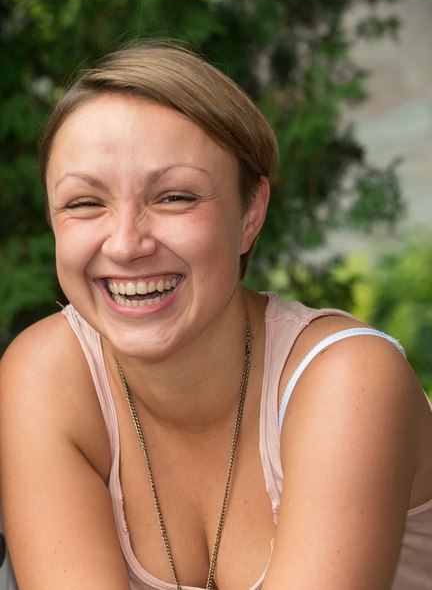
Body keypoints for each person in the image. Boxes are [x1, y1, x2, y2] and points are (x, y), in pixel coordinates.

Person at [0, 40, 431, 590]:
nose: (126, 243)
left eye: (175, 197)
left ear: (251, 213)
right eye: (85, 203)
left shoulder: (348, 381)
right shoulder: (44, 376)